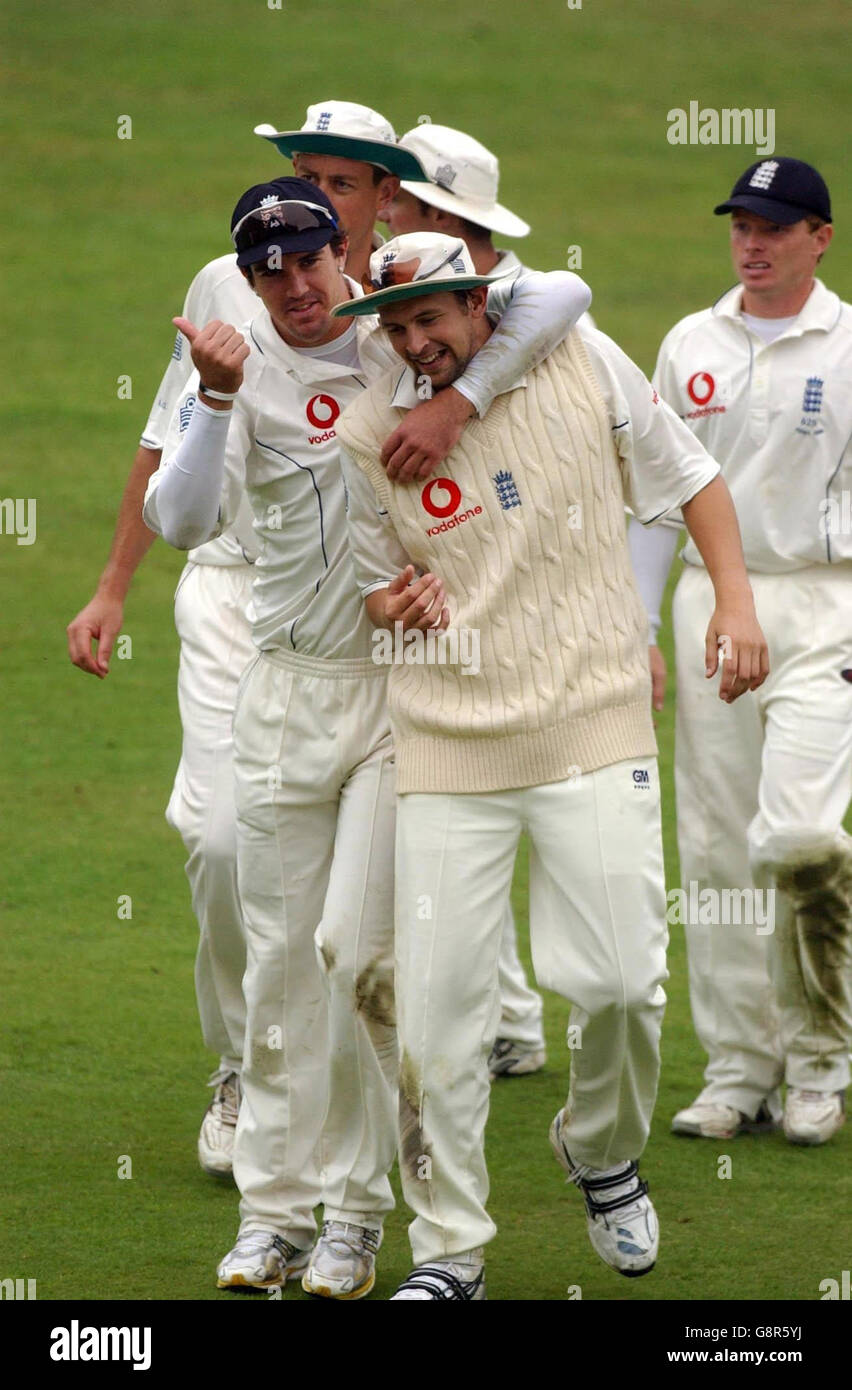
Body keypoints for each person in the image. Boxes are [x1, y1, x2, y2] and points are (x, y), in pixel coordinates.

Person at [143, 188, 593, 1296]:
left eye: (311, 260)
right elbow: (183, 521)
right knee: (284, 960)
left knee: (358, 952)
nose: (297, 287)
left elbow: (562, 294)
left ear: (343, 253)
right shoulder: (235, 359)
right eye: (271, 271)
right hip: (282, 688)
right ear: (246, 277)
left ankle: (356, 1213)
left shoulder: (396, 333)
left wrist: (460, 398)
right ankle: (274, 1217)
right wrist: (213, 394)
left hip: (394, 698)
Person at [334, 231, 768, 1299]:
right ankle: (449, 1252)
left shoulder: (583, 359)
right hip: (448, 738)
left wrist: (737, 603)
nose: (413, 344)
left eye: (431, 319)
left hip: (594, 717)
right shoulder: (366, 426)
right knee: (435, 1018)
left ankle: (600, 1146)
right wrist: (398, 604)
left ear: (482, 305)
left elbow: (693, 477)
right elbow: (364, 589)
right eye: (394, 327)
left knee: (623, 984)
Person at [66, 101, 434, 1178]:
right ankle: (244, 1069)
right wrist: (110, 585)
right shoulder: (227, 285)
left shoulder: (407, 299)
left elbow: (539, 322)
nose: (312, 202)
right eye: (299, 174)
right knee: (221, 842)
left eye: (337, 185)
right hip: (238, 599)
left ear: (378, 198)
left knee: (359, 898)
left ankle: (377, 1095)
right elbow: (167, 451)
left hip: (364, 631)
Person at [628, 157, 852, 1146]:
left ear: (819, 239)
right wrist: (639, 628)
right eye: (740, 226)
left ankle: (819, 1059)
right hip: (709, 603)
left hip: (825, 601)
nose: (752, 244)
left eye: (774, 227)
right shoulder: (691, 342)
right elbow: (653, 498)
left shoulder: (848, 344)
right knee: (718, 848)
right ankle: (739, 1069)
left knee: (798, 838)